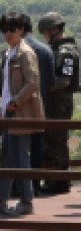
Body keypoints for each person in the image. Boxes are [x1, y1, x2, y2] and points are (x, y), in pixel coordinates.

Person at [0, 12, 44, 216]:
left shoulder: (25, 53)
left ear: (21, 30)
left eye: (12, 29)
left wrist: (14, 103)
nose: (7, 34)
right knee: (7, 157)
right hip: (10, 112)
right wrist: (5, 106)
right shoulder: (10, 53)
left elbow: (33, 83)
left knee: (20, 158)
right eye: (4, 30)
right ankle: (1, 199)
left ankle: (26, 201)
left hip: (20, 113)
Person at [37, 12, 79, 194]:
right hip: (56, 101)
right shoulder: (59, 49)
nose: (45, 36)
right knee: (53, 140)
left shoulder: (65, 51)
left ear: (53, 30)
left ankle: (59, 181)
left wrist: (42, 86)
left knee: (56, 141)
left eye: (45, 32)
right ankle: (57, 179)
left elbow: (64, 80)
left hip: (59, 102)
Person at [21, 13, 55, 195]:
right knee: (37, 147)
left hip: (18, 108)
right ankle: (35, 186)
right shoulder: (46, 50)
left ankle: (20, 189)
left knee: (19, 149)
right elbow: (50, 81)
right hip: (40, 105)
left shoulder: (16, 51)